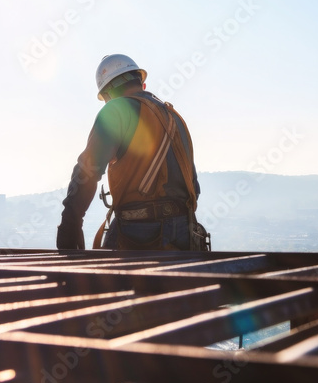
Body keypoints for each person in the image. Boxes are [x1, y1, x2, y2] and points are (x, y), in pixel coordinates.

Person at [56, 54, 208, 251]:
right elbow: (194, 187)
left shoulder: (115, 110)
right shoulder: (174, 117)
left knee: (102, 271)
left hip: (137, 233)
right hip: (186, 233)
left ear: (107, 95)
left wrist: (70, 224)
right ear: (141, 83)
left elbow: (87, 172)